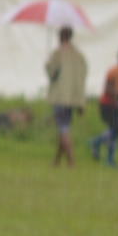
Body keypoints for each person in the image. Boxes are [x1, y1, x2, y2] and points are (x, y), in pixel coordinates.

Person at [45, 25, 89, 168]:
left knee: (63, 128)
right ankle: (56, 161)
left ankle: (71, 161)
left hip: (60, 96)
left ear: (60, 36)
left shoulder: (57, 53)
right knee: (65, 127)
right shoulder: (79, 55)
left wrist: (48, 65)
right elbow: (83, 76)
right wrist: (81, 101)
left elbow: (52, 73)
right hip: (74, 97)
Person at [93, 46, 118, 167]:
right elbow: (108, 88)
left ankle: (98, 143)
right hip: (107, 104)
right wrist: (117, 93)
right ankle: (108, 156)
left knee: (115, 130)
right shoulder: (113, 71)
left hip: (117, 105)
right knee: (116, 129)